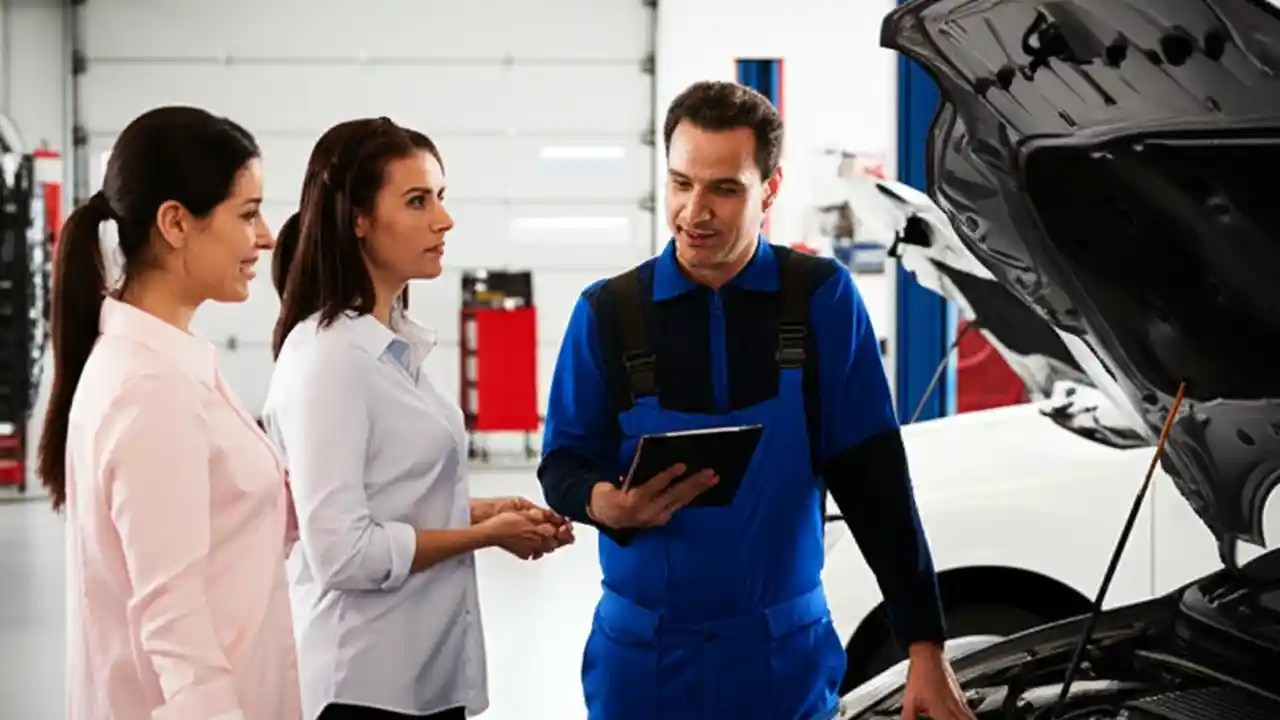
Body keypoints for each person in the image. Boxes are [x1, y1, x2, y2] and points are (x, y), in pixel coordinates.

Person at [538, 81, 977, 720]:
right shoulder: (608, 313)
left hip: (780, 661)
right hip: (645, 660)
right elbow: (563, 464)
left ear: (770, 189)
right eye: (681, 183)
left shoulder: (821, 302)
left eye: (724, 188)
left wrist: (924, 646)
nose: (695, 211)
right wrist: (606, 503)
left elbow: (876, 485)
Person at [261, 117, 575, 720]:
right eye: (416, 201)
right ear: (357, 219)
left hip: (421, 680)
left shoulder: (391, 345)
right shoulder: (332, 360)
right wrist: (484, 536)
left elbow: (386, 498)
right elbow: (343, 553)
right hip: (364, 687)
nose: (443, 219)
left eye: (440, 198)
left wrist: (487, 511)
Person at [36, 106, 300, 720]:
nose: (264, 236)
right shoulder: (149, 389)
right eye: (247, 213)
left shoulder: (167, 362)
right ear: (176, 223)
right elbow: (175, 622)